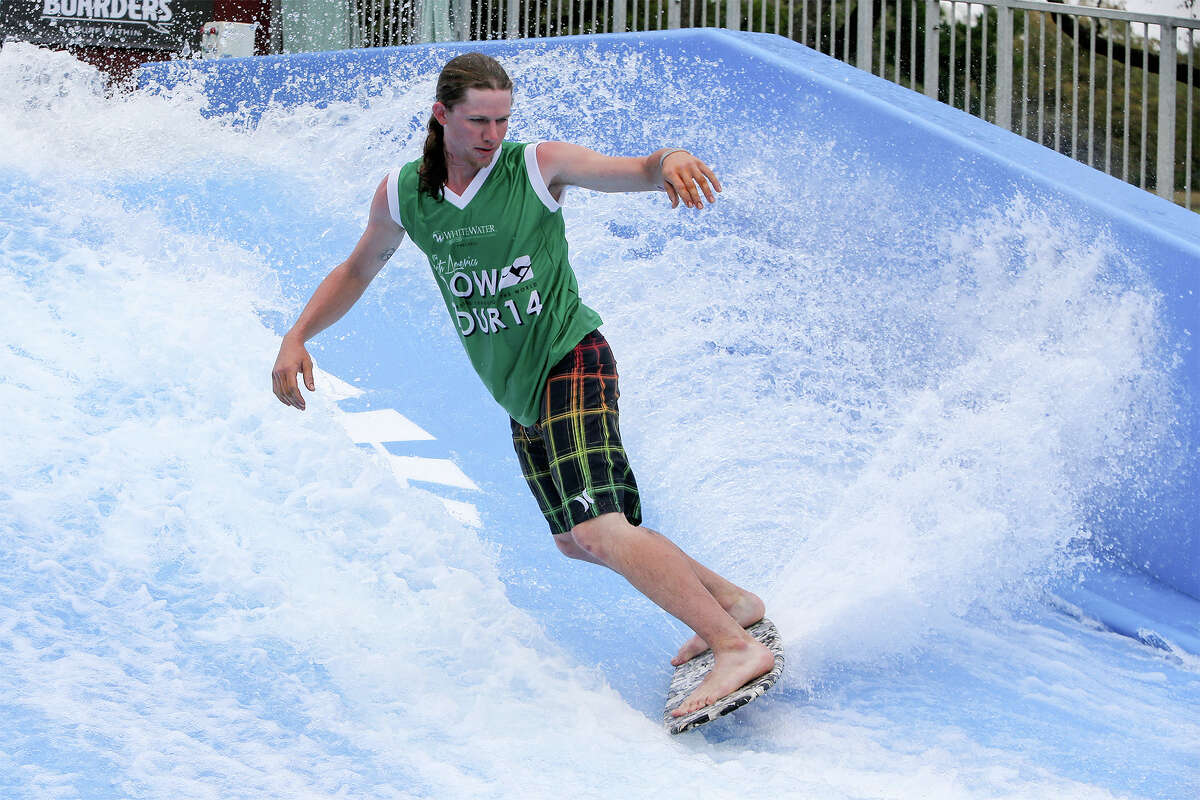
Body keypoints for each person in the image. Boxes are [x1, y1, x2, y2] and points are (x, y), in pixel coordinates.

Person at [271, 52, 772, 719]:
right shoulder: (404, 194)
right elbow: (358, 270)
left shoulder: (537, 167)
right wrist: (296, 335)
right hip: (523, 394)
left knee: (600, 528)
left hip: (572, 358)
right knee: (574, 539)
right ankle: (732, 603)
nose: (491, 135)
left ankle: (733, 644)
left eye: (502, 120)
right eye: (478, 120)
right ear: (441, 116)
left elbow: (636, 170)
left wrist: (669, 158)